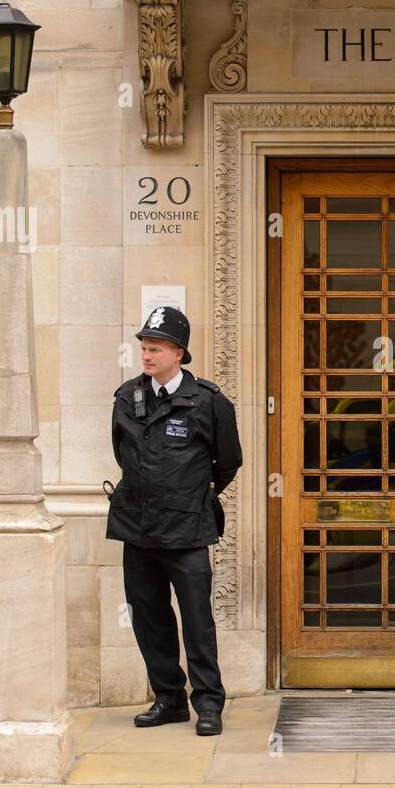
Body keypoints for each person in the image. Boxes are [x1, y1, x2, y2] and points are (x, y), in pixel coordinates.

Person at [105, 305, 242, 736]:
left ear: (179, 352)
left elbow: (228, 461)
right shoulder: (128, 397)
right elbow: (121, 452)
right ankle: (168, 698)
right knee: (148, 615)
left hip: (187, 528)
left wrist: (189, 496)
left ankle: (208, 703)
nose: (147, 355)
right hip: (137, 526)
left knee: (197, 618)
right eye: (144, 347)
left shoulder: (209, 401)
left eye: (157, 348)